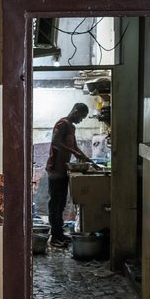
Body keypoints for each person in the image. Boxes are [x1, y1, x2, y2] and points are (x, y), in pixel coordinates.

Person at [45, 102, 94, 247]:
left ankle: (59, 235)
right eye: (82, 116)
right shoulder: (62, 124)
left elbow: (75, 147)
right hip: (55, 170)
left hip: (64, 169)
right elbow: (55, 142)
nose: (81, 120)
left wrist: (85, 158)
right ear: (76, 111)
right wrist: (74, 153)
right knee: (55, 204)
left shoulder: (71, 128)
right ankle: (55, 238)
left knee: (61, 204)